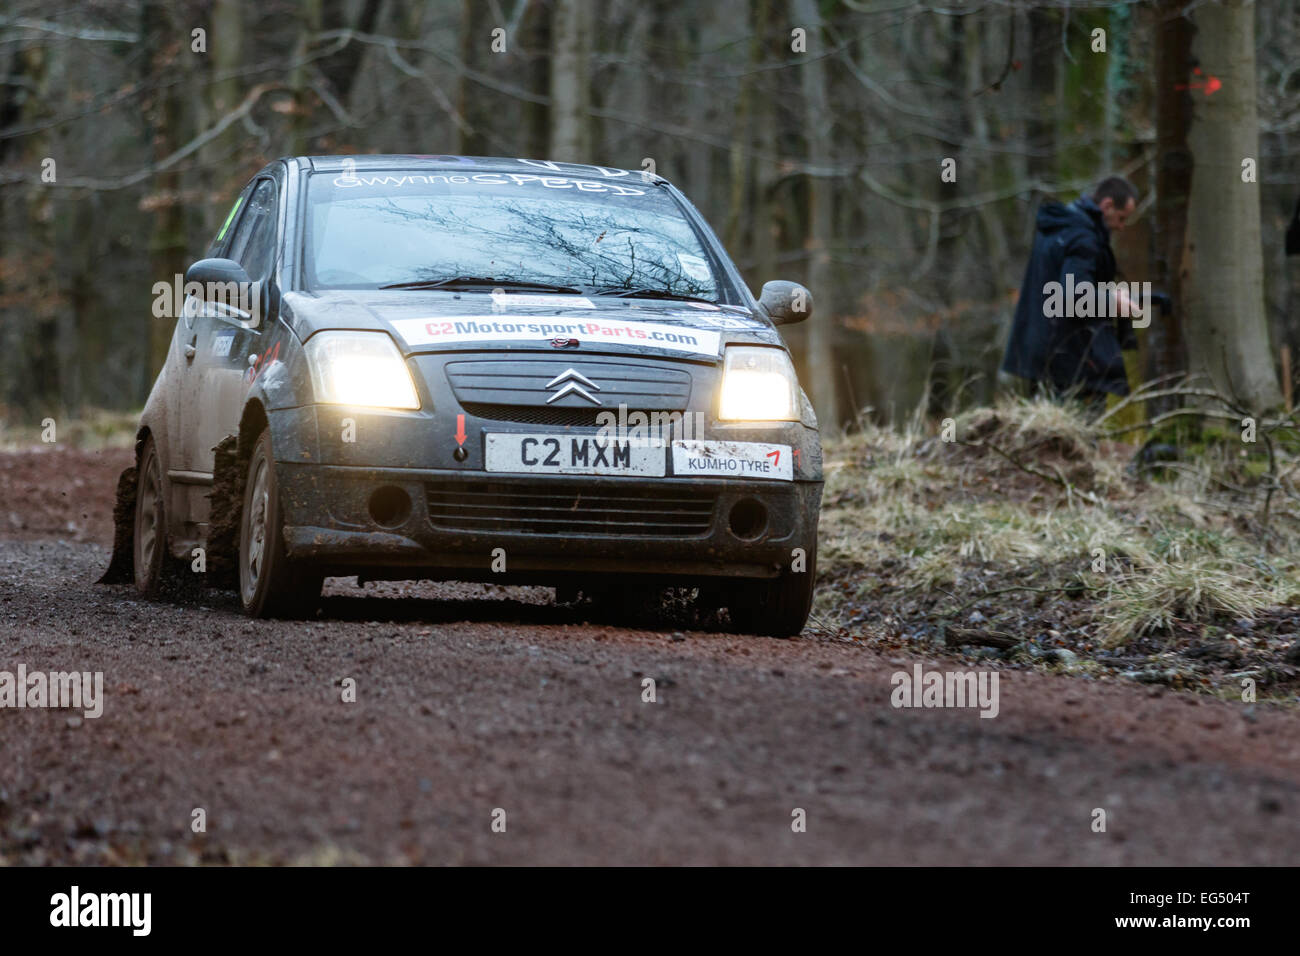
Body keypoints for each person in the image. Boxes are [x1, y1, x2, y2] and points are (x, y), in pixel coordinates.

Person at [1001, 176, 1142, 413]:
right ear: (1107, 205)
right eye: (1121, 218)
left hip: (1040, 354)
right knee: (1076, 440)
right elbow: (1074, 295)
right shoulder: (1082, 237)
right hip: (1069, 363)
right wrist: (1113, 302)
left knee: (1041, 439)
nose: (1121, 227)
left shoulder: (1059, 227)